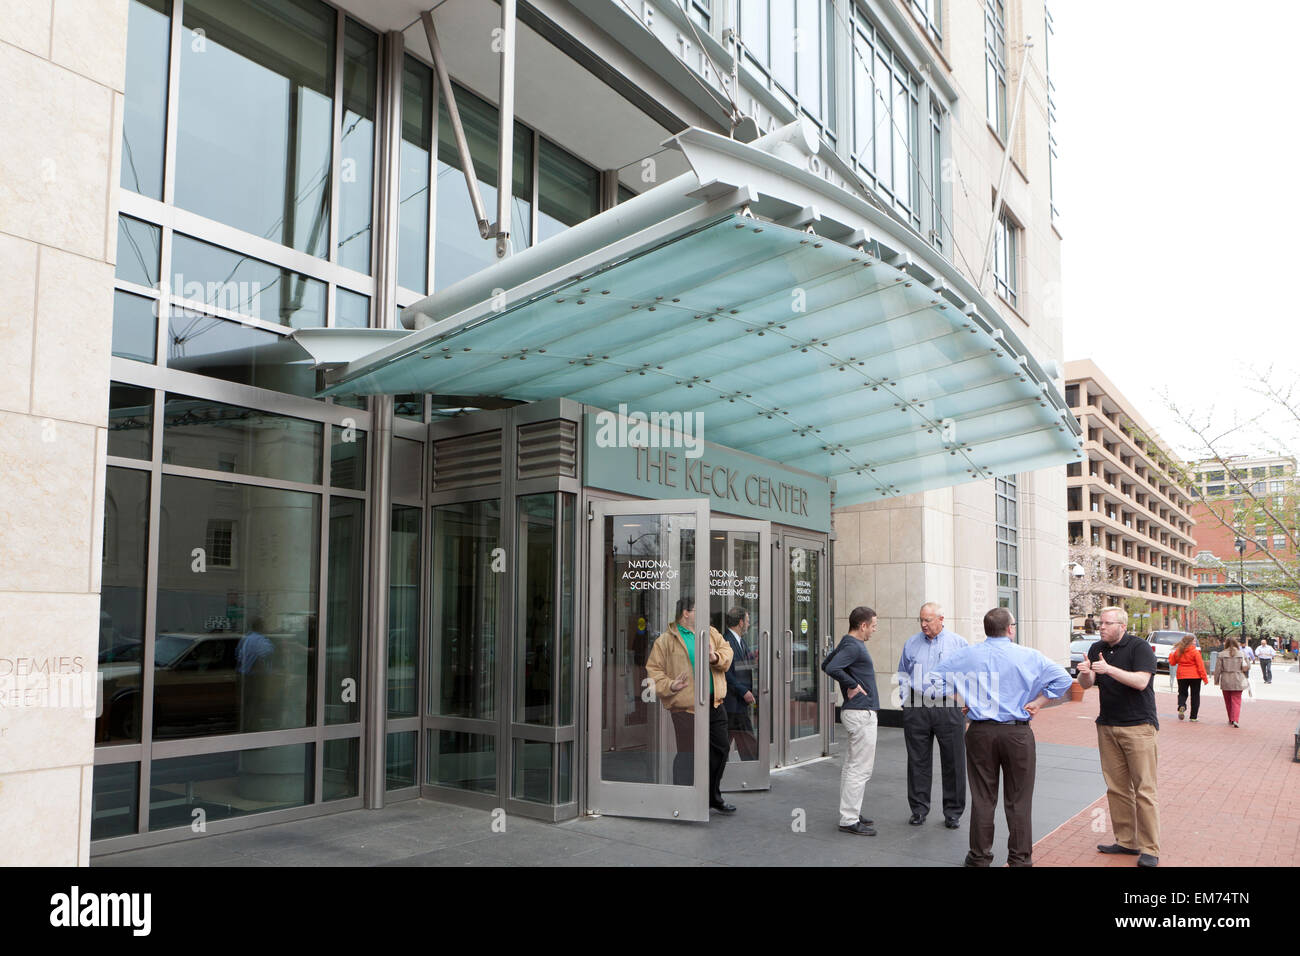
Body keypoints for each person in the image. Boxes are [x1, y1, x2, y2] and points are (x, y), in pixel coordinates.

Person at [930, 607, 1073, 867]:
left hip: (980, 731)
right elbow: (1063, 679)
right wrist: (1039, 701)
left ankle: (979, 857)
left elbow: (933, 679)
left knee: (983, 797)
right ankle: (1020, 859)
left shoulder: (967, 654)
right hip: (1017, 732)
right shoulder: (1028, 655)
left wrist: (962, 697)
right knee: (1019, 799)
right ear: (1010, 629)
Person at [1076, 605, 1161, 868]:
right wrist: (1086, 673)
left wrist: (1108, 669)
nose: (1100, 626)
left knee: (1144, 790)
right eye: (1100, 623)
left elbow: (1140, 682)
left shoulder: (1139, 648)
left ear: (1122, 626)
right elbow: (1087, 685)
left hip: (1139, 727)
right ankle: (1127, 841)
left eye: (1106, 623)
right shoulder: (1095, 649)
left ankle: (1149, 848)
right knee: (1117, 788)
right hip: (1107, 725)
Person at [645, 596, 735, 813]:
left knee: (721, 749)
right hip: (685, 707)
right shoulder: (666, 641)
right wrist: (670, 685)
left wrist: (715, 658)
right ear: (685, 613)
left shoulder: (710, 632)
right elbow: (653, 672)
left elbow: (727, 652)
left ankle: (712, 796)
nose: (704, 615)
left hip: (714, 703)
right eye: (698, 611)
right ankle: (682, 801)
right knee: (688, 754)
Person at [896, 602, 968, 828]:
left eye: (928, 620)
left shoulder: (958, 643)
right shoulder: (911, 643)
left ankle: (953, 812)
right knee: (918, 760)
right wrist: (905, 700)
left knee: (954, 761)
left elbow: (969, 674)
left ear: (941, 619)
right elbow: (903, 673)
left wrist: (965, 703)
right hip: (917, 707)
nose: (924, 625)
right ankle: (918, 809)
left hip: (948, 707)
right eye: (921, 620)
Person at [825, 606, 881, 836]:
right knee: (860, 769)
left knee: (852, 766)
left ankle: (851, 813)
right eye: (873, 626)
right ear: (863, 625)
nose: (874, 631)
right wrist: (852, 685)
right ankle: (849, 819)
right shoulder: (853, 646)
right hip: (861, 713)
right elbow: (831, 667)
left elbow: (826, 664)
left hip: (856, 712)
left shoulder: (848, 643)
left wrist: (849, 682)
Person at [721, 607, 758, 760]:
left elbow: (743, 662)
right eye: (747, 621)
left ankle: (716, 773)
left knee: (725, 743)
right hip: (733, 701)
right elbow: (726, 673)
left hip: (737, 703)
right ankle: (754, 773)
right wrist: (744, 691)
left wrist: (753, 658)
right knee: (747, 740)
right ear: (741, 622)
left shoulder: (740, 641)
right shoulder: (726, 641)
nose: (749, 625)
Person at [1168, 634, 1208, 721]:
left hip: (1182, 675)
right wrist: (1204, 678)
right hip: (1195, 676)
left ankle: (1182, 705)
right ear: (1189, 642)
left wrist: (1171, 655)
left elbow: (1172, 663)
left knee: (1182, 693)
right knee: (1195, 696)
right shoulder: (1195, 652)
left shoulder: (1179, 651)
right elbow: (1200, 666)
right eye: (1193, 641)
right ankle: (1193, 717)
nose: (1195, 642)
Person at [1212, 637, 1250, 728]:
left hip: (1226, 679)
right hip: (1238, 678)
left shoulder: (1221, 654)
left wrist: (1216, 680)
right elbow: (1248, 666)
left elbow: (1217, 669)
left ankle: (1231, 718)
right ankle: (1235, 719)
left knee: (1228, 701)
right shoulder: (1242, 654)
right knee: (1236, 701)